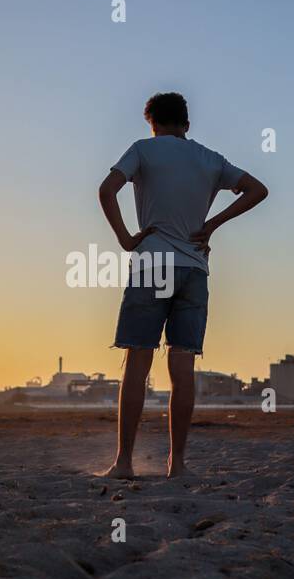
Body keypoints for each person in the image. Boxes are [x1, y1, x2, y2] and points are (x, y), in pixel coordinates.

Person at [97, 92, 267, 478]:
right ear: (187, 125)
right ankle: (178, 463)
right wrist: (211, 225)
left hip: (153, 263)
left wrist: (126, 239)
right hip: (194, 269)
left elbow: (106, 190)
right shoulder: (210, 159)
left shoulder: (143, 149)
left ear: (152, 123)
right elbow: (258, 189)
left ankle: (124, 462)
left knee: (137, 364)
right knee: (182, 368)